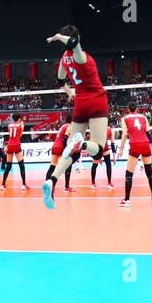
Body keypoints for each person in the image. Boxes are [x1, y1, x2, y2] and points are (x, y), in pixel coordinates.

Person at [42, 25, 110, 209]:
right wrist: (58, 36)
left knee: (73, 152)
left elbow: (59, 80)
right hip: (96, 99)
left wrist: (69, 92)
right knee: (98, 148)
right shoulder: (80, 55)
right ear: (77, 37)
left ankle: (52, 181)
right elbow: (73, 43)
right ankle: (83, 143)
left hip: (80, 102)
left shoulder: (64, 59)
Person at [118, 104, 152, 206]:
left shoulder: (125, 118)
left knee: (129, 174)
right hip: (145, 143)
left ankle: (127, 200)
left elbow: (125, 134)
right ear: (137, 109)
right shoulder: (143, 117)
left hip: (134, 144)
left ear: (127, 109)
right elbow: (148, 132)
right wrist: (151, 147)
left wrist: (120, 149)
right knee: (149, 173)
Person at [45, 116, 76, 192]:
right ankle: (66, 187)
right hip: (61, 147)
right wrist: (67, 149)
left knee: (52, 166)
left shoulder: (62, 126)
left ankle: (46, 184)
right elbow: (64, 139)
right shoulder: (70, 127)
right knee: (68, 165)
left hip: (55, 146)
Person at [0, 113, 28, 190]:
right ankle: (23, 184)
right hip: (16, 144)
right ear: (19, 118)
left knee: (8, 165)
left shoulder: (9, 125)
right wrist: (22, 126)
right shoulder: (20, 125)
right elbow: (20, 135)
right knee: (21, 165)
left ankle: (3, 184)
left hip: (10, 145)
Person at [90, 123, 115, 188]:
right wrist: (114, 156)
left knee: (94, 165)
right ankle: (109, 183)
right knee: (108, 164)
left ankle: (93, 183)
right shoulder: (110, 129)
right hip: (105, 148)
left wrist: (98, 155)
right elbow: (113, 144)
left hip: (97, 148)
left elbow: (92, 142)